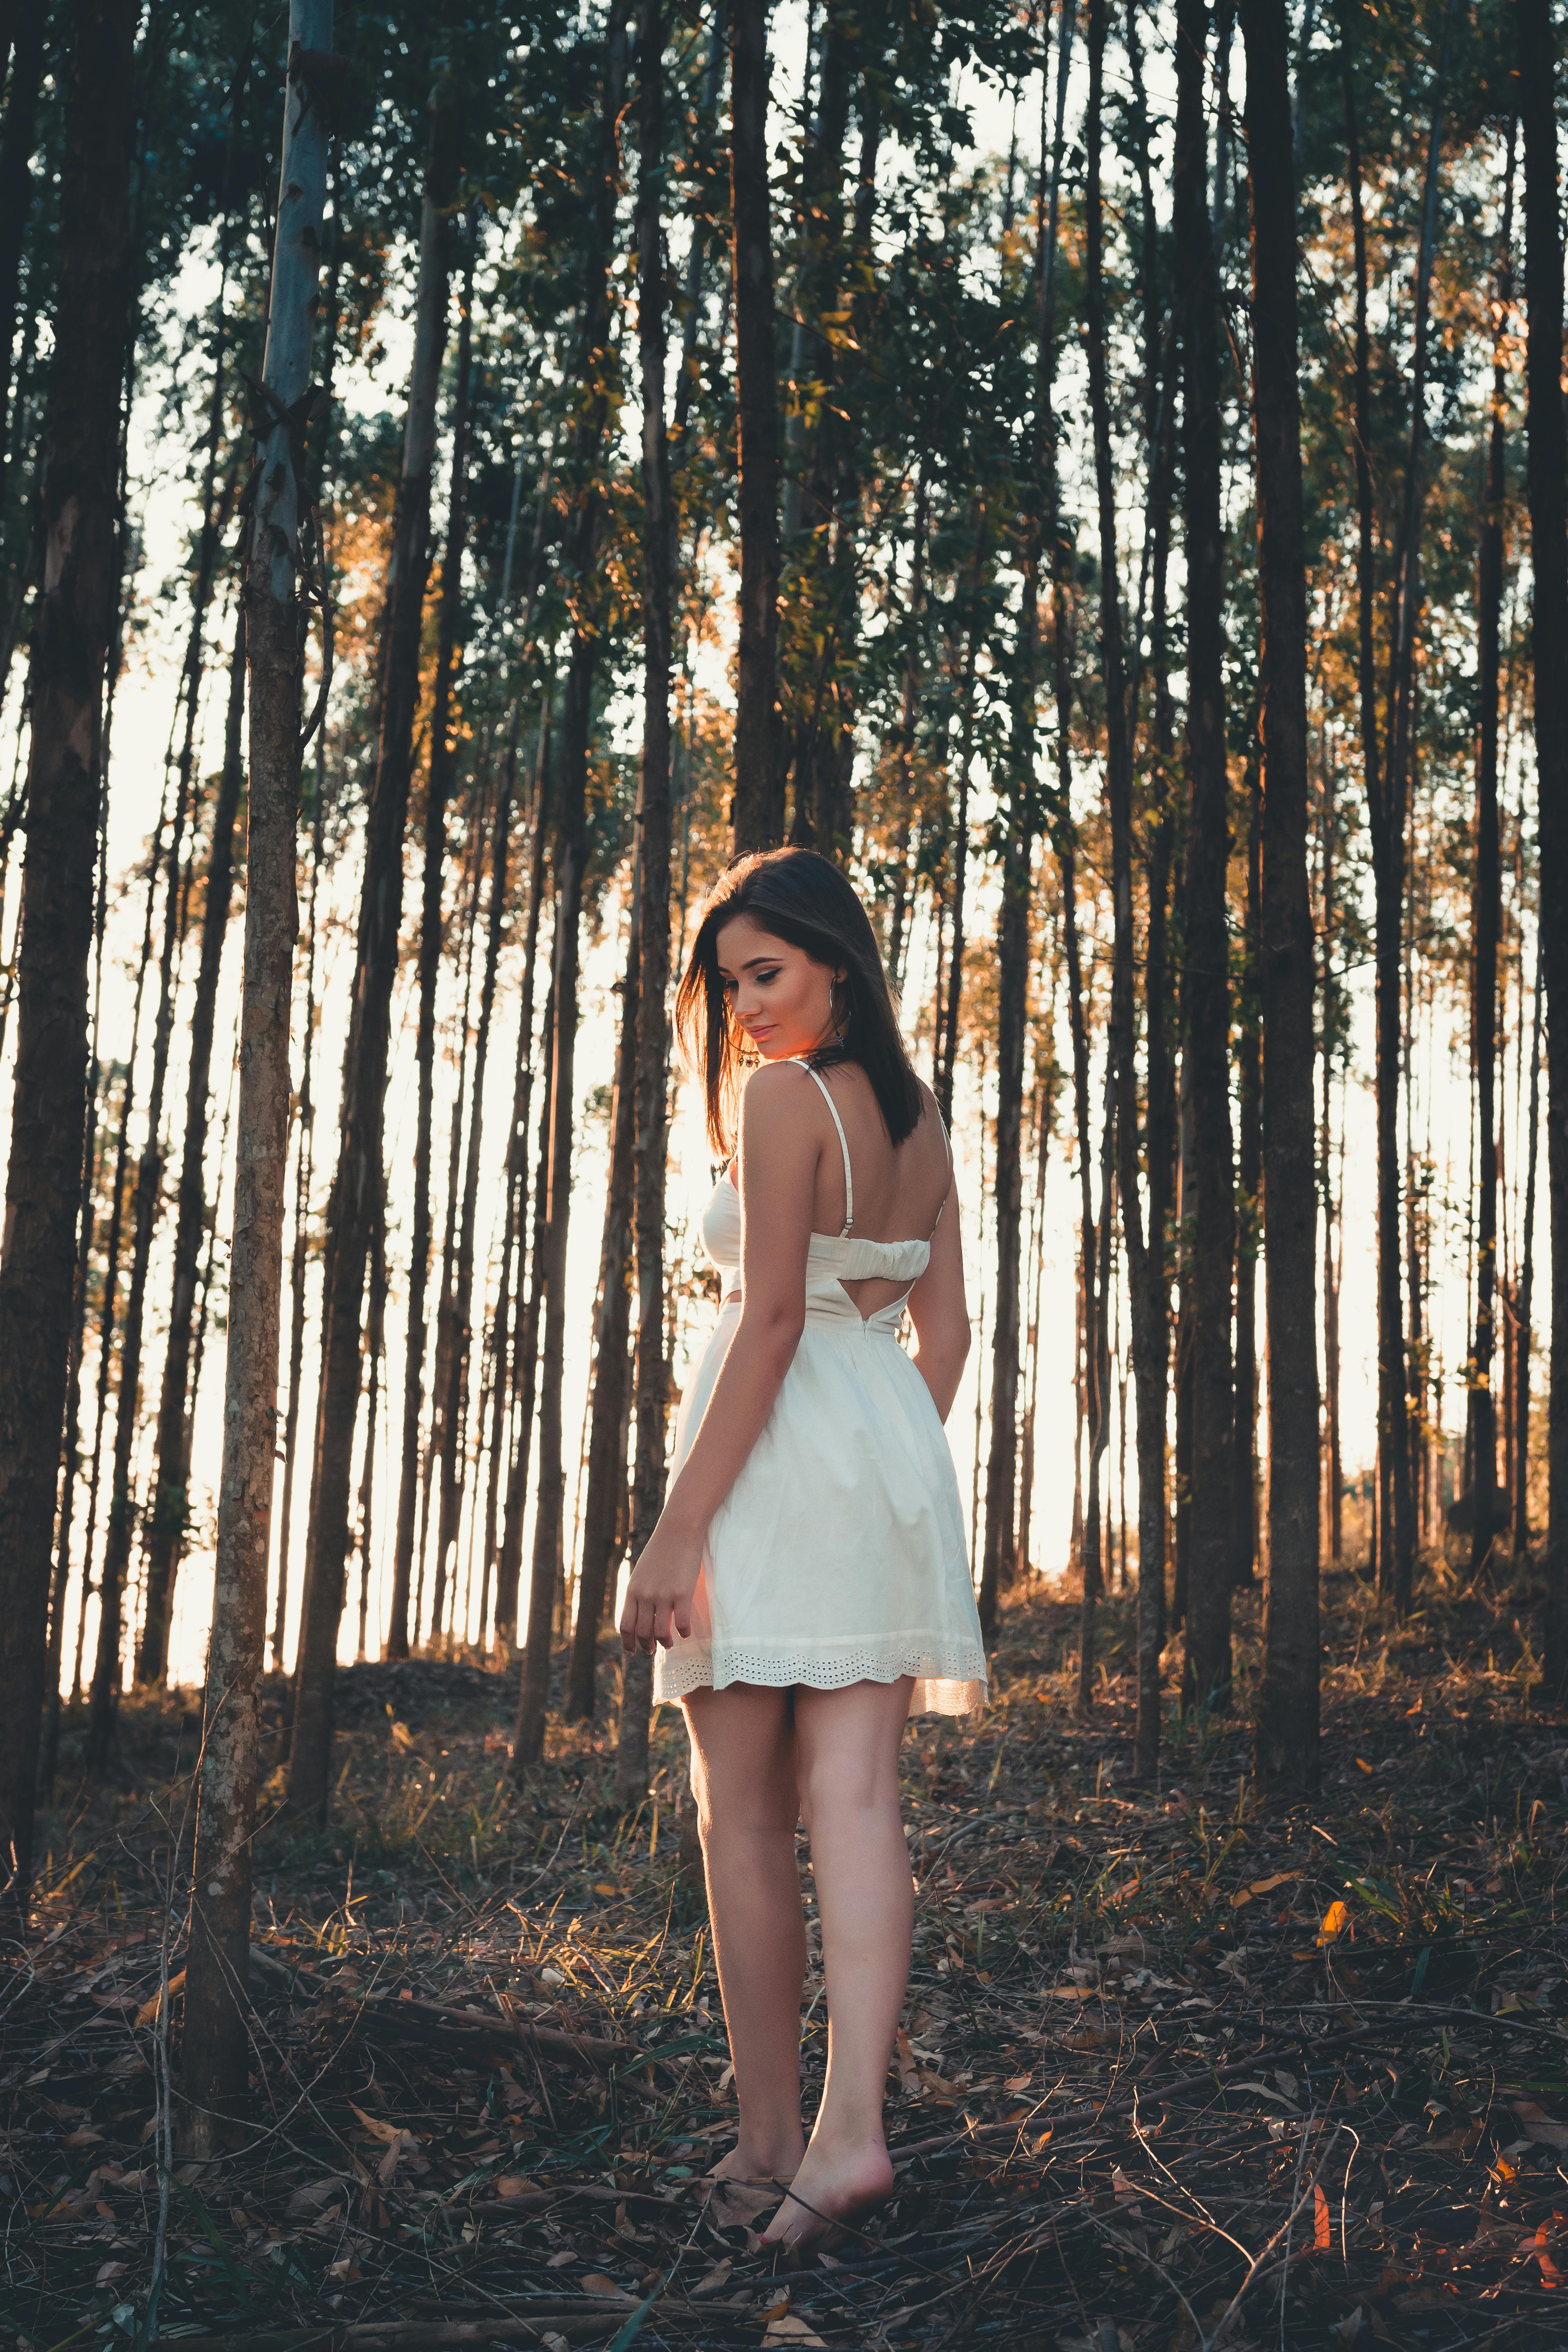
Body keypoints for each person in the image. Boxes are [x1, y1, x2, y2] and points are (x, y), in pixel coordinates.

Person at [619, 846, 986, 2252]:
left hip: (767, 1460)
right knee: (860, 1798)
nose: (748, 1008)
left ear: (839, 958)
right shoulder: (921, 1114)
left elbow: (771, 1319)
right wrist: (877, 1461)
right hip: (883, 1457)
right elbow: (946, 1337)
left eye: (766, 972)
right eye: (729, 986)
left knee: (746, 1812)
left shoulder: (784, 1098)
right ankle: (841, 2140)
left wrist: (678, 1528)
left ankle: (782, 2138)